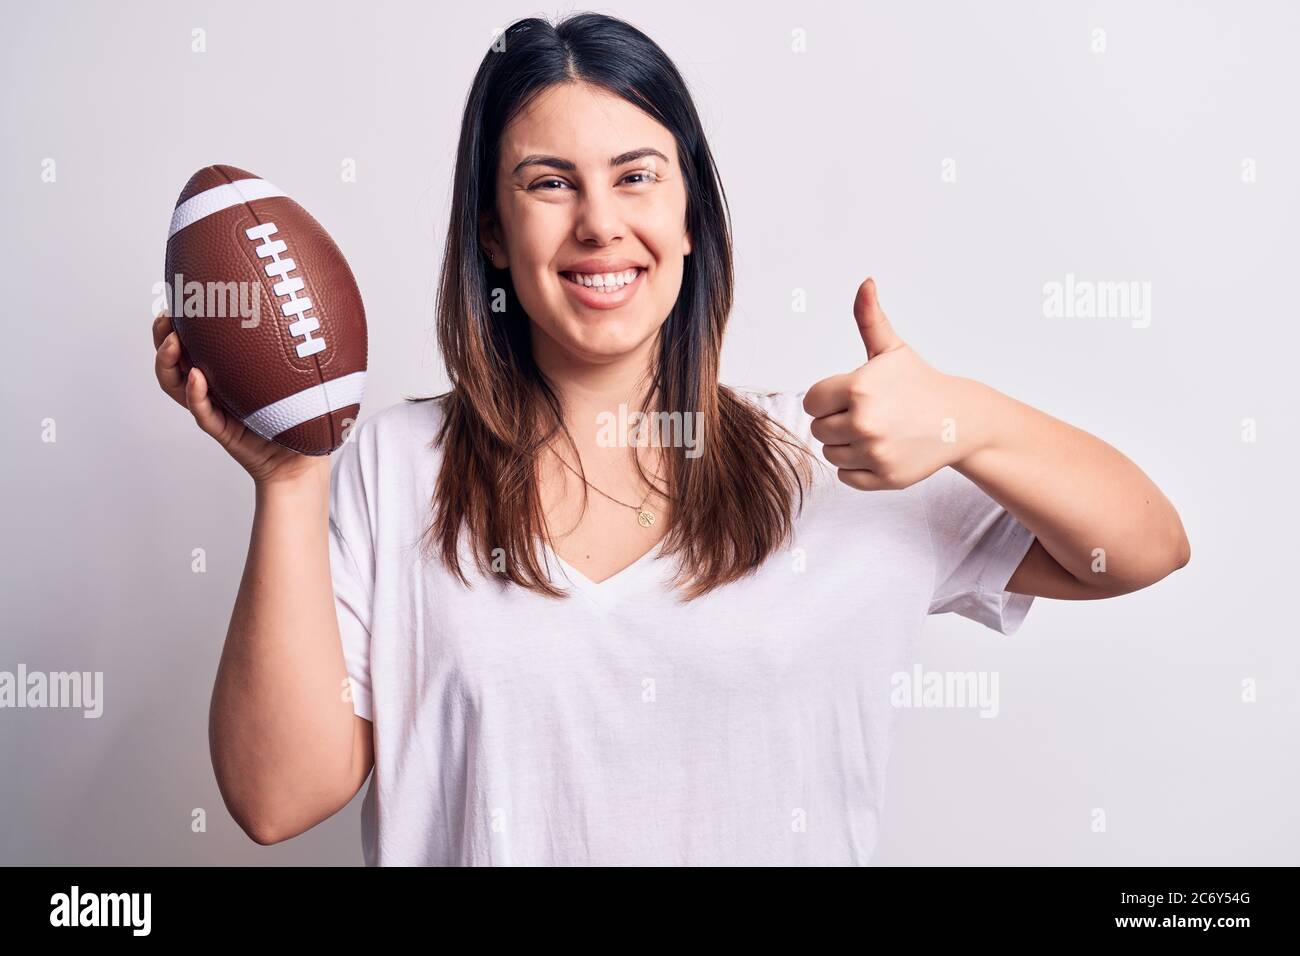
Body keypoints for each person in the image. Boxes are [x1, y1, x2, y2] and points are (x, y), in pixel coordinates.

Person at [152, 13, 1189, 866]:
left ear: (691, 214)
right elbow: (278, 797)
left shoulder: (831, 453)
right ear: (490, 233)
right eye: (548, 182)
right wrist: (291, 480)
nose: (598, 221)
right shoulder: (394, 466)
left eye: (637, 174)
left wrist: (967, 418)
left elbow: (1144, 546)